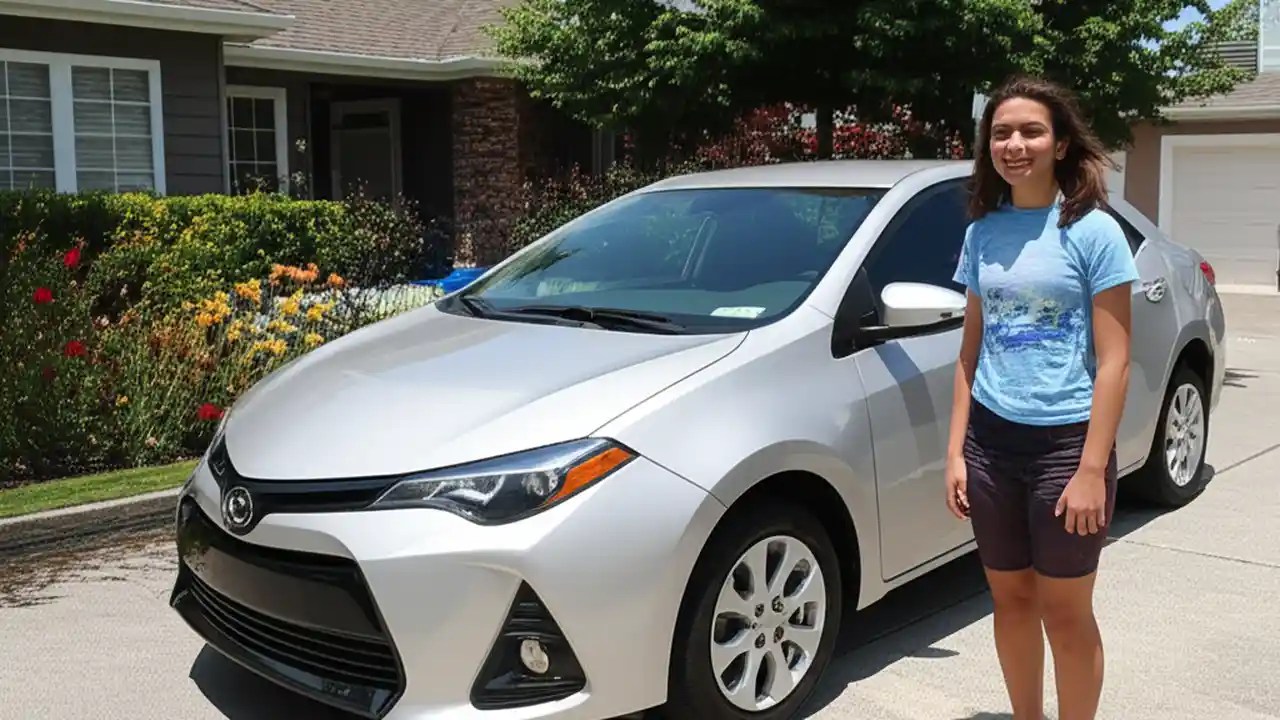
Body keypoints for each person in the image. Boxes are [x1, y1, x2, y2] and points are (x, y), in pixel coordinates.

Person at [944, 75, 1139, 720]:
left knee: (1065, 609)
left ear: (1059, 144)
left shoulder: (1093, 231)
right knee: (1012, 602)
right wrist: (955, 455)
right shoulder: (982, 233)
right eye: (1001, 133)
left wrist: (1090, 470)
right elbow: (970, 353)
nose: (1014, 144)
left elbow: (1115, 361)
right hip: (993, 448)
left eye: (1031, 131)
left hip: (1066, 446)